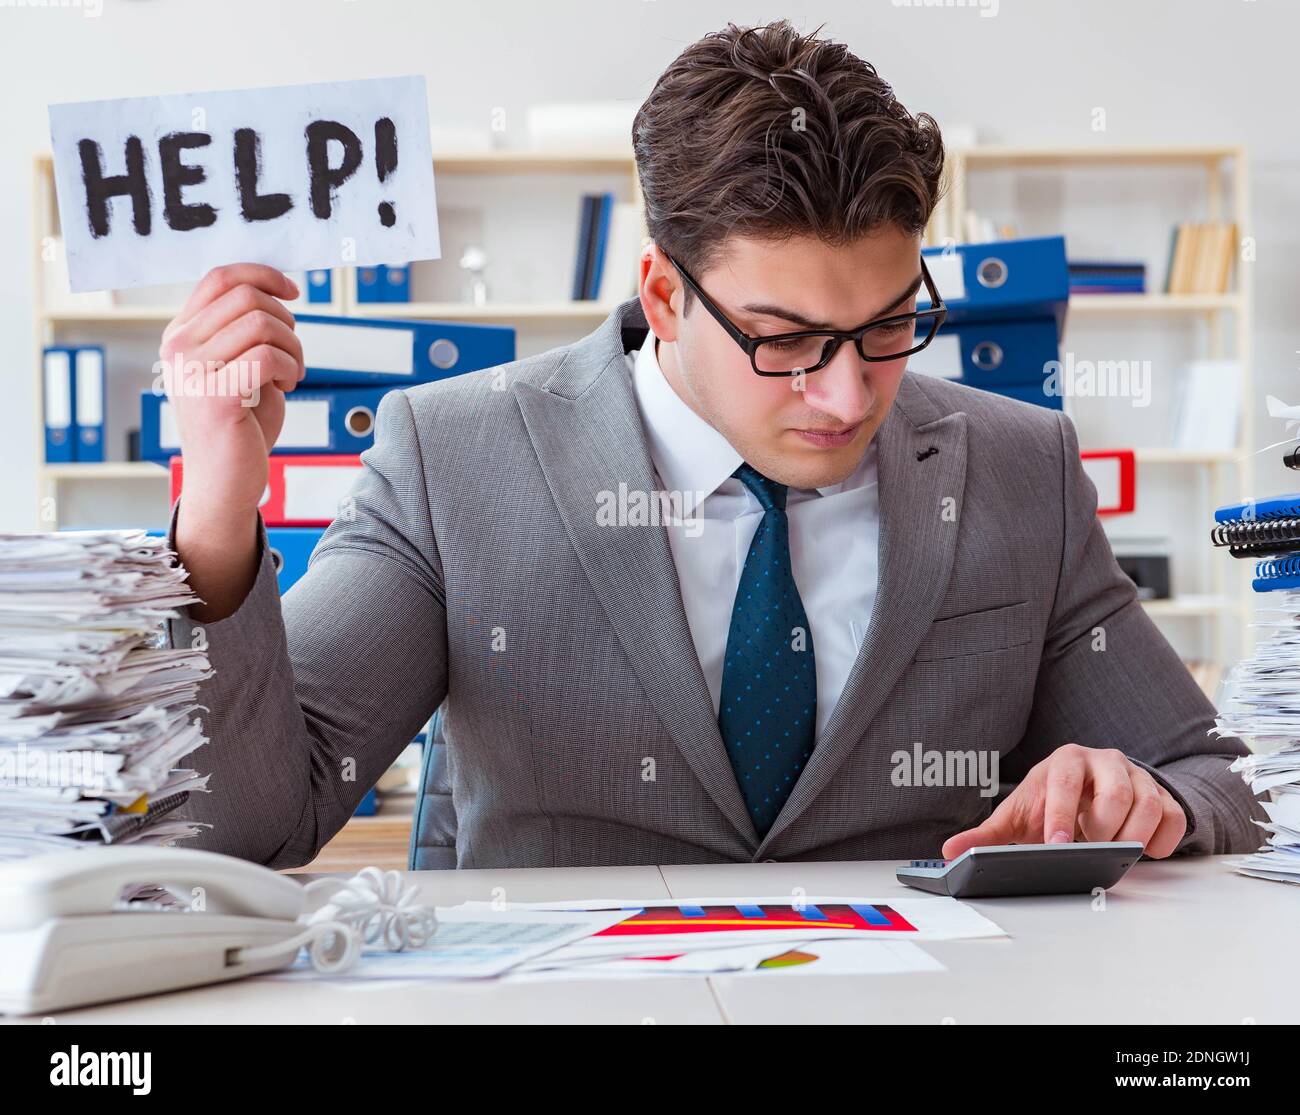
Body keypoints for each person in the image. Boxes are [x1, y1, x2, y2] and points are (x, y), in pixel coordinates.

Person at [160, 20, 1261, 869]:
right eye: (782, 339)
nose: (845, 392)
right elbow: (258, 822)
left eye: (887, 324)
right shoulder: (455, 458)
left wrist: (1145, 798)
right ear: (663, 293)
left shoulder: (1021, 466)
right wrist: (215, 509)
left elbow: (1219, 776)